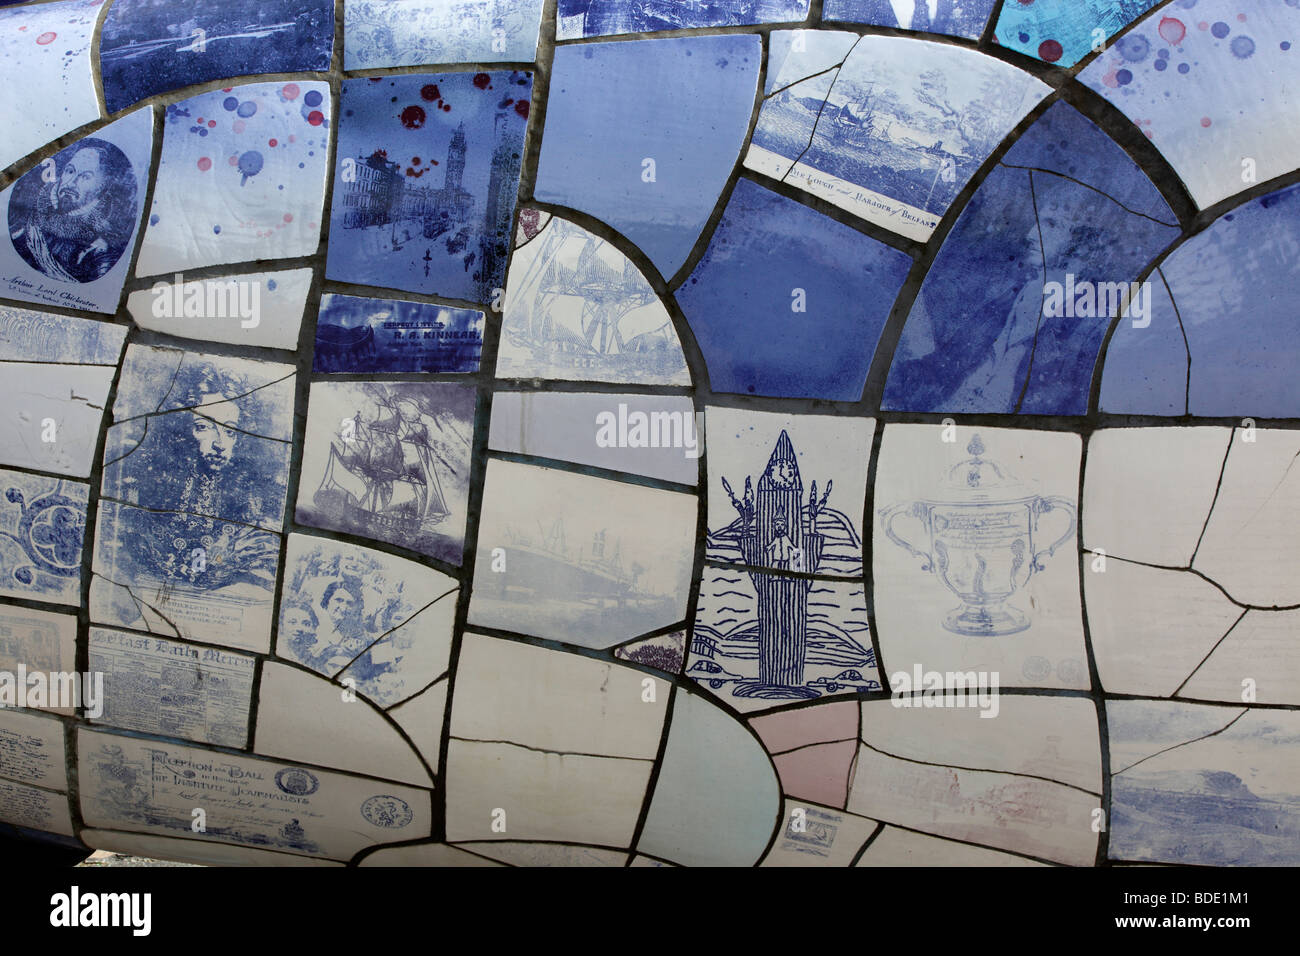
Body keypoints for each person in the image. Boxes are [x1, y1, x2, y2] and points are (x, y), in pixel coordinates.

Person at [9, 139, 137, 283]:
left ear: (101, 187)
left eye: (85, 177)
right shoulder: (26, 222)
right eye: (70, 171)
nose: (71, 183)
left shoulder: (99, 252)